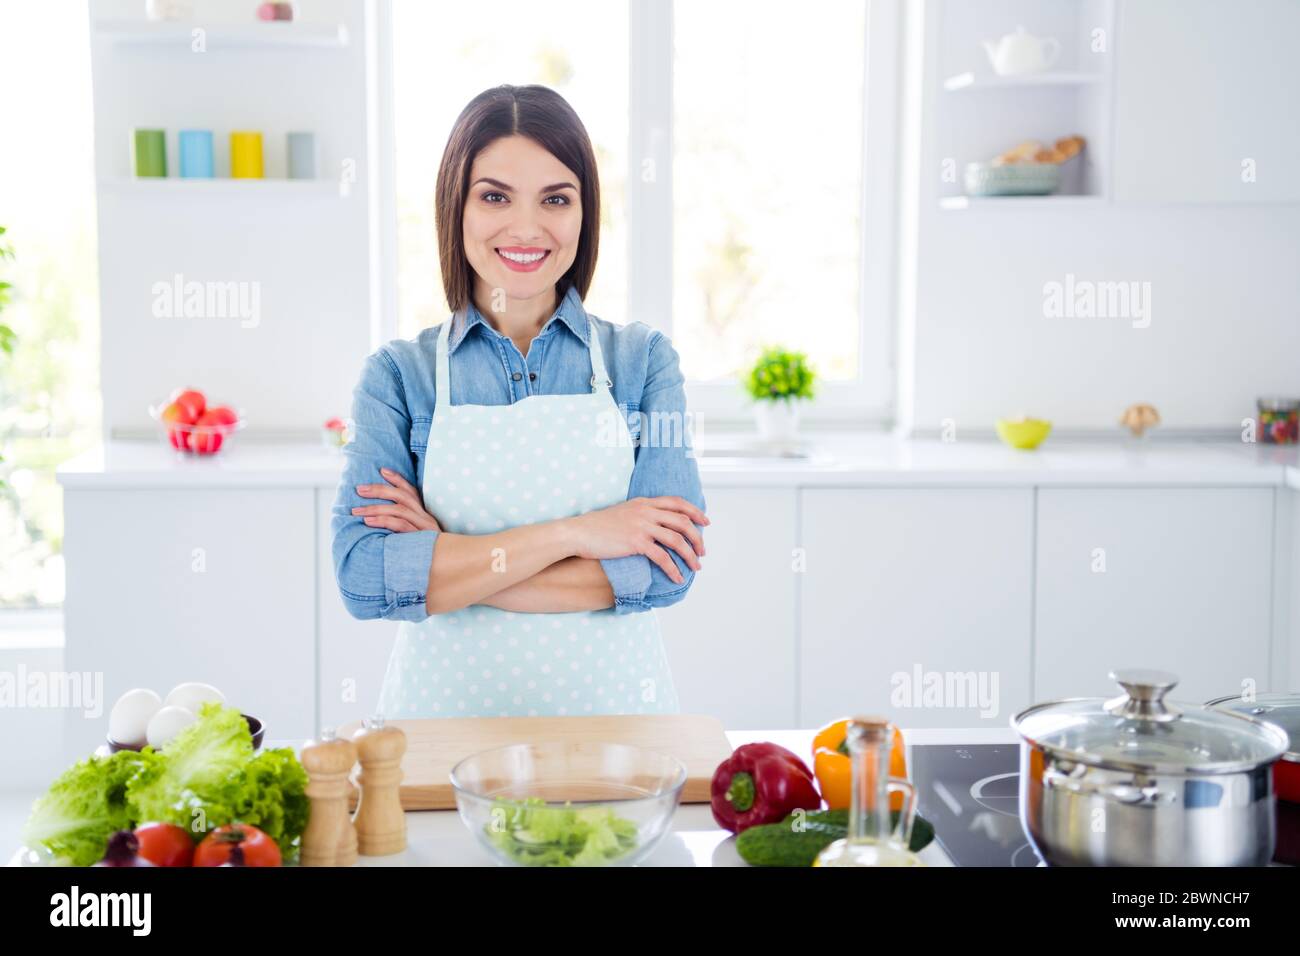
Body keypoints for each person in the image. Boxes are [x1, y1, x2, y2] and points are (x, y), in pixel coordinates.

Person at [330, 84, 708, 719]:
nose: (527, 227)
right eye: (495, 196)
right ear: (457, 207)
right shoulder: (398, 377)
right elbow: (365, 577)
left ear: (584, 213)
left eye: (555, 199)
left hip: (616, 742)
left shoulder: (644, 363)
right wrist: (580, 534)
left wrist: (449, 562)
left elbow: (668, 568)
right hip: (439, 743)